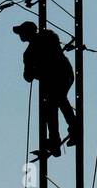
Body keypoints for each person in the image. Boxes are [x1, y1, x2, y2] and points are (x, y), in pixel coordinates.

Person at [12, 21, 76, 161]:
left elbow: (27, 76)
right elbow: (28, 75)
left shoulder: (31, 52)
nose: (20, 36)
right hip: (64, 74)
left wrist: (35, 69)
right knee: (56, 103)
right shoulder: (47, 37)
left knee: (55, 104)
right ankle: (62, 136)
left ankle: (61, 137)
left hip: (58, 76)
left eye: (22, 33)